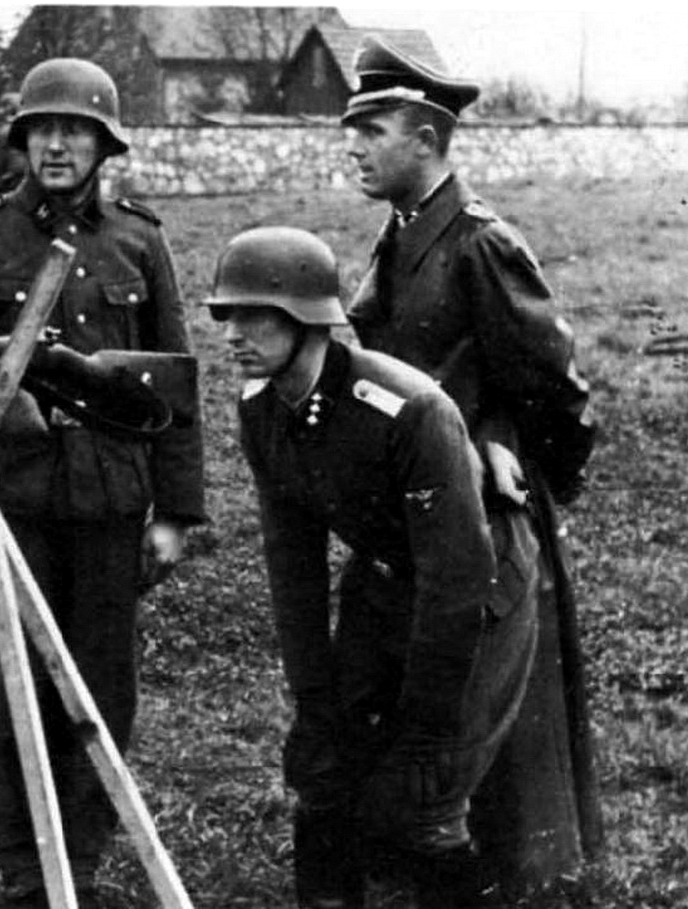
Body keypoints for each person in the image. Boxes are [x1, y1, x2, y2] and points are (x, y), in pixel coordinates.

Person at [0, 58, 205, 909]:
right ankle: (24, 858)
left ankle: (82, 848)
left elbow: (173, 381)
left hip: (111, 497)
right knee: (15, 677)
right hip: (10, 500)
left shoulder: (138, 239)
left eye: (76, 131)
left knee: (102, 680)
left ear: (104, 145)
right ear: (21, 143)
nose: (57, 146)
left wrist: (176, 511)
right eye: (42, 131)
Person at [340, 35, 601, 898]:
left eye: (373, 129)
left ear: (426, 137)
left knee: (495, 722)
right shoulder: (401, 236)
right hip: (413, 514)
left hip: (487, 523)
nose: (353, 146)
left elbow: (555, 389)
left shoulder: (481, 243)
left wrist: (521, 470)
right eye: (352, 129)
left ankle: (506, 876)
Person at [209, 226, 535, 908]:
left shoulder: (408, 409)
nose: (233, 334)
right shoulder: (263, 407)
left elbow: (456, 579)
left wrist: (427, 722)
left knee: (428, 792)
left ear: (308, 320)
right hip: (388, 576)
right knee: (323, 769)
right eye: (227, 315)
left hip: (479, 587)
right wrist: (313, 698)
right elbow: (292, 568)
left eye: (255, 316)